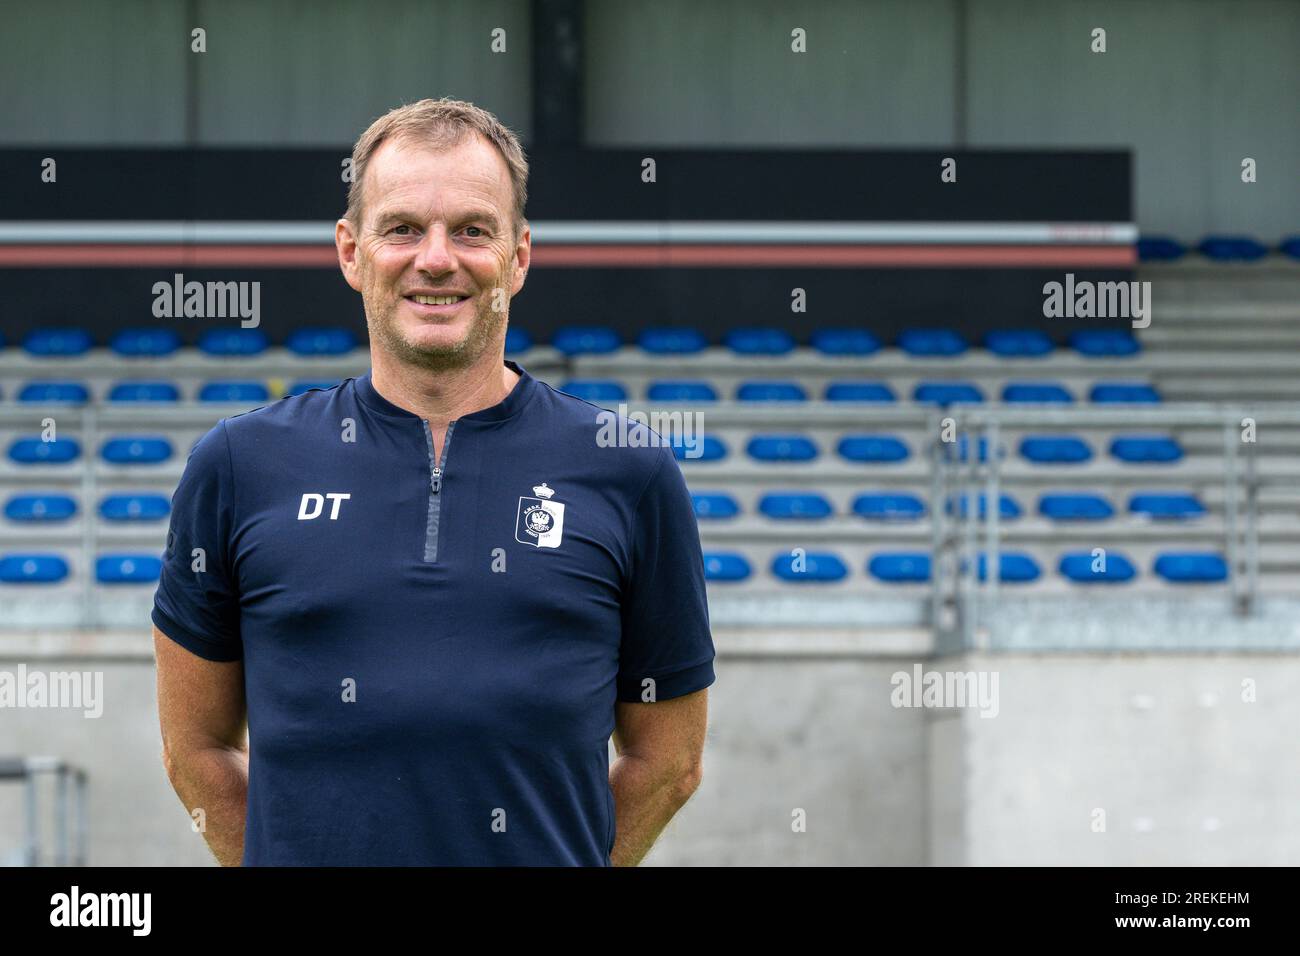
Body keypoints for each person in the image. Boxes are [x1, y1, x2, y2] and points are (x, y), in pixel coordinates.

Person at [152, 97, 715, 866]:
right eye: (404, 228)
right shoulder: (239, 466)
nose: (438, 258)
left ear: (518, 256)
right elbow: (198, 750)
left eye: (473, 230)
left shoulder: (630, 472)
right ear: (351, 252)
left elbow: (668, 764)